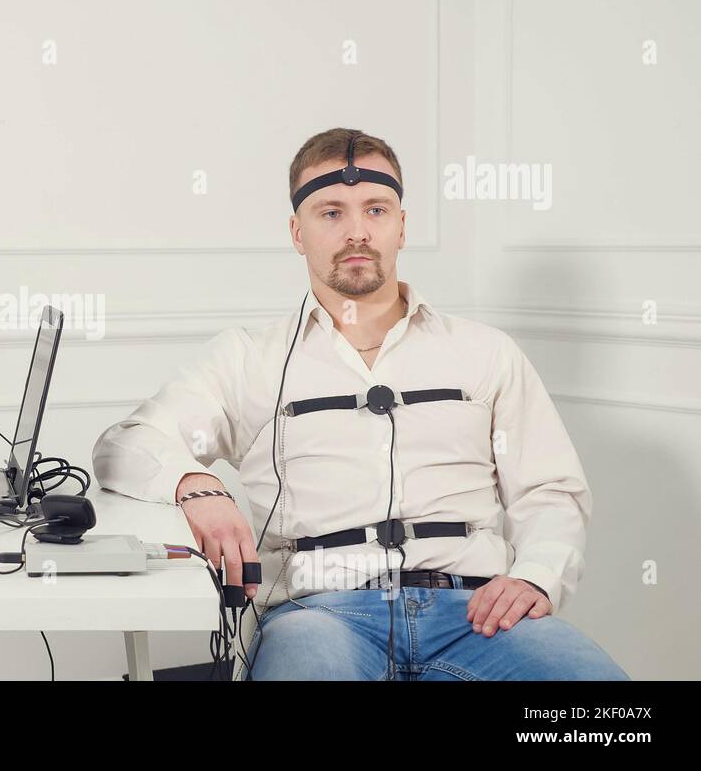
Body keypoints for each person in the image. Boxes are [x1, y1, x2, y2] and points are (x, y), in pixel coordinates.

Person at [92, 128, 628, 680]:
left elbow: (550, 490)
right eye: (331, 213)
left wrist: (536, 575)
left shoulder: (484, 352)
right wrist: (197, 486)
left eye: (375, 209)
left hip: (478, 616)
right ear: (297, 233)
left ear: (401, 225)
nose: (357, 232)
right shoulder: (248, 359)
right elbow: (127, 443)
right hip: (319, 615)